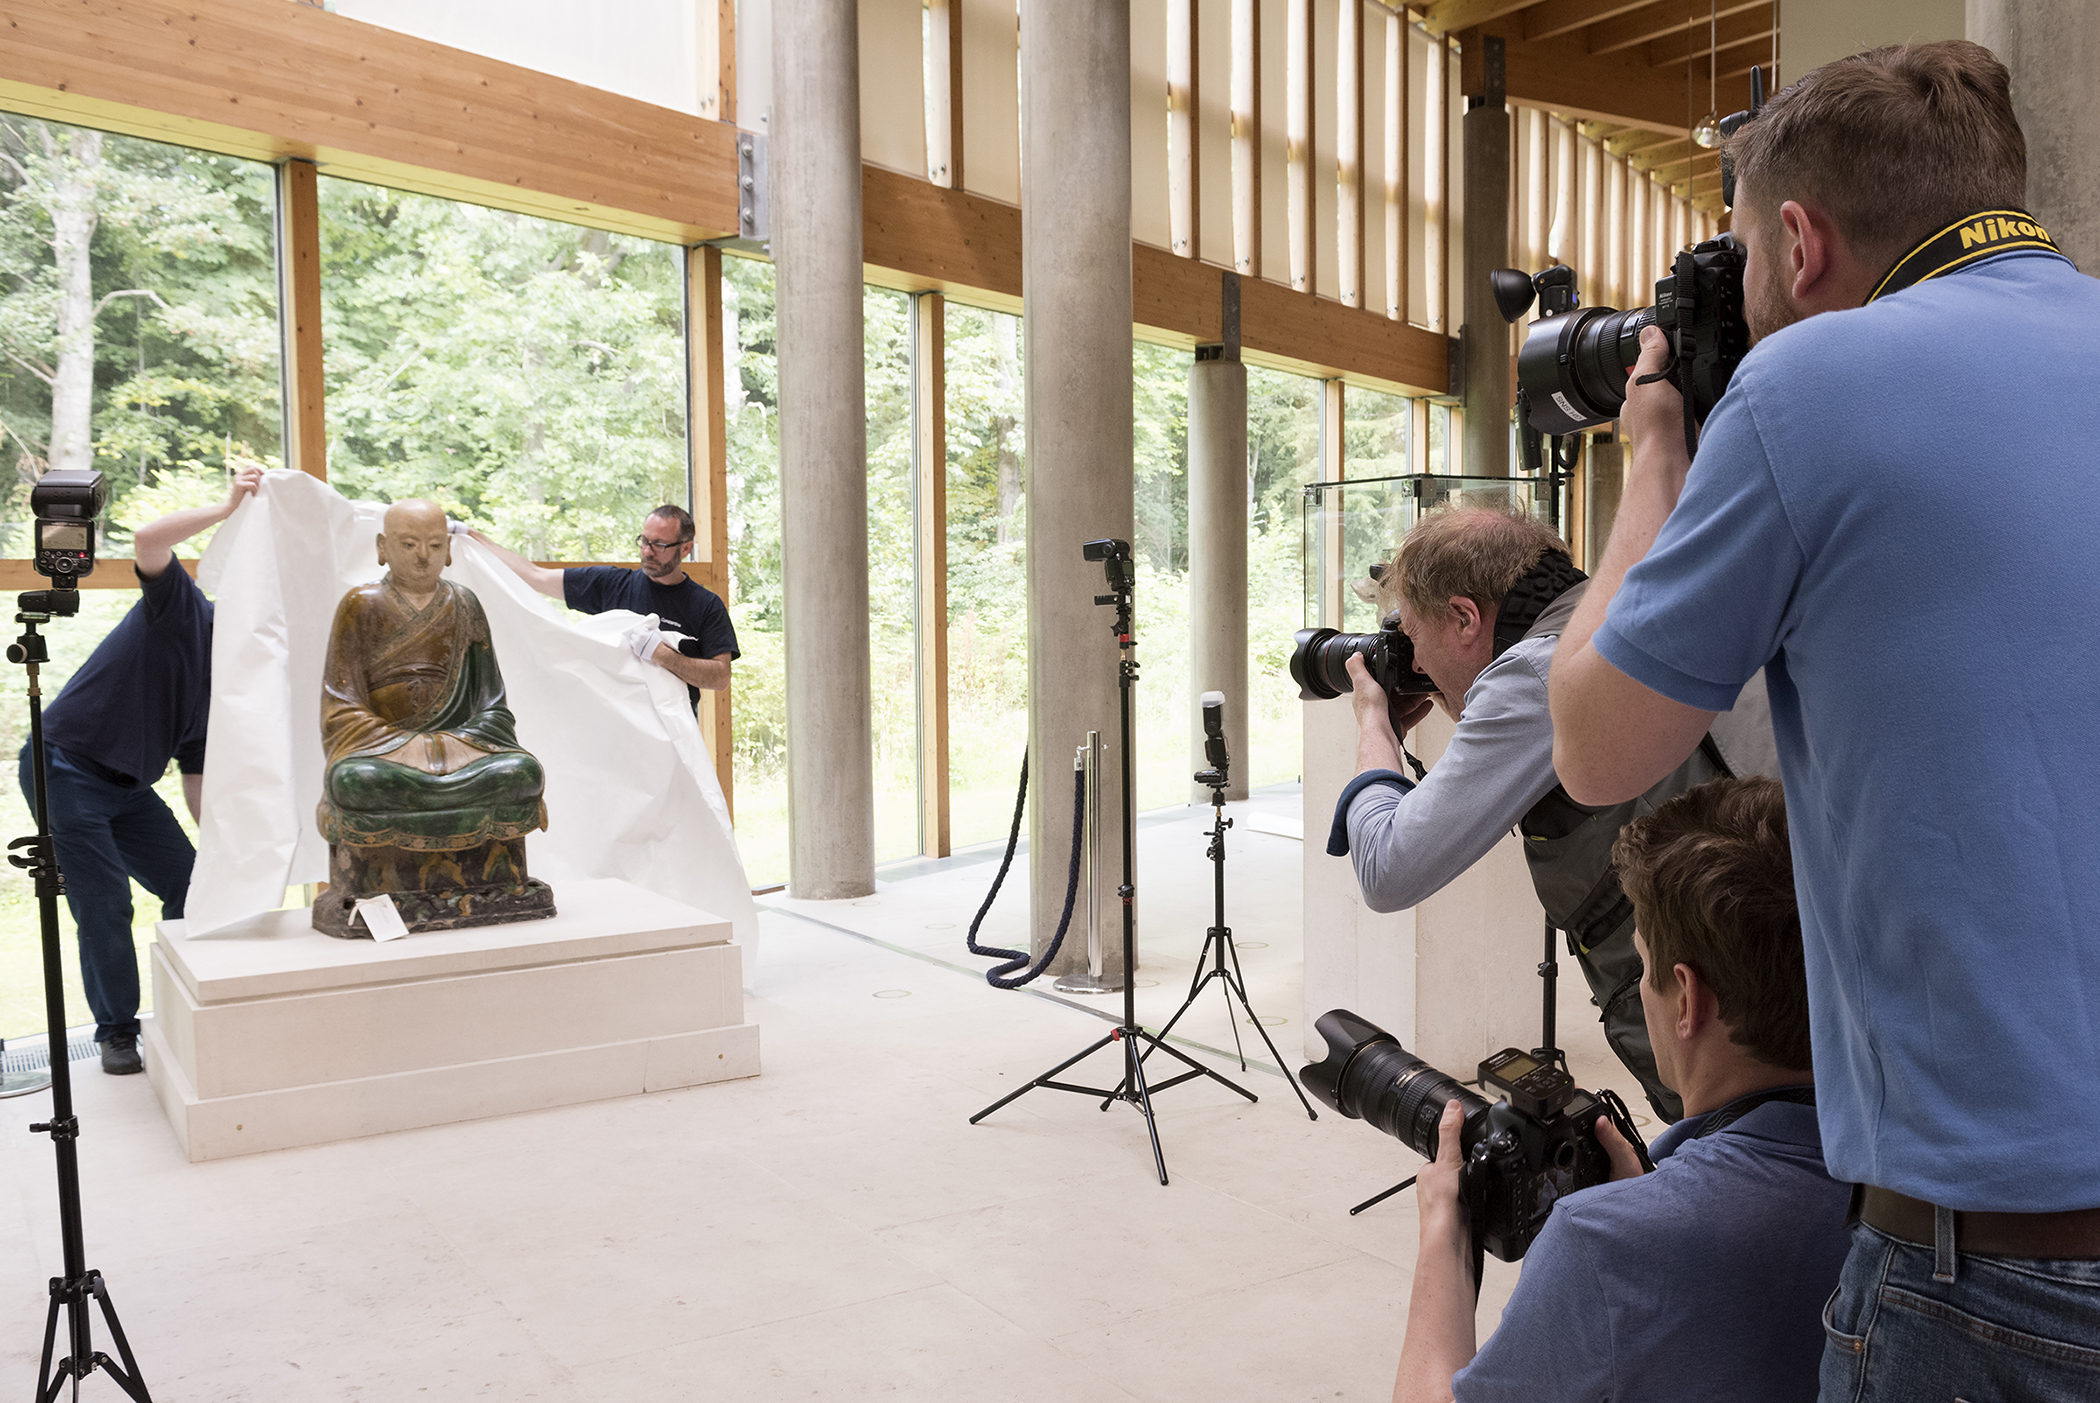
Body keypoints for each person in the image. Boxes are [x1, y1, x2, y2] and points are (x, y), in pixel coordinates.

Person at [1546, 41, 2100, 1397]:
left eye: (1736, 256)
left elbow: (1597, 743)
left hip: (1995, 1275)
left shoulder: (1814, 390)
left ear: (1799, 242)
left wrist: (1655, 462)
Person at [1393, 777, 1849, 1403]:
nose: (1639, 993)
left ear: (1687, 998)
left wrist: (1443, 1234)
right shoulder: (1923, 1181)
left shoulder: (1602, 1244)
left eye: (1642, 967)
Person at [1328, 506, 1770, 1120]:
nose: (1418, 667)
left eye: (1417, 641)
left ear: (1463, 617)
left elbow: (1387, 869)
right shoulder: (1632, 609)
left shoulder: (1535, 673)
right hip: (1777, 971)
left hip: (1720, 1019)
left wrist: (1374, 727)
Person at [21, 463, 262, 1074]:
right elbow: (150, 541)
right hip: (64, 764)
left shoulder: (229, 687)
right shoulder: (187, 611)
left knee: (192, 884)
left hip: (126, 789)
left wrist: (225, 855)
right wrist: (227, 505)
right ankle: (116, 1032)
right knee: (104, 903)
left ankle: (186, 1004)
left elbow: (198, 780)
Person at [472, 505, 736, 710]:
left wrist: (663, 655)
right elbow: (534, 575)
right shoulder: (611, 584)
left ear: (685, 548)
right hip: (615, 725)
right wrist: (472, 538)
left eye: (659, 544)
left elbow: (720, 678)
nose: (647, 551)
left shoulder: (705, 605)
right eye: (644, 541)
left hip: (673, 734)